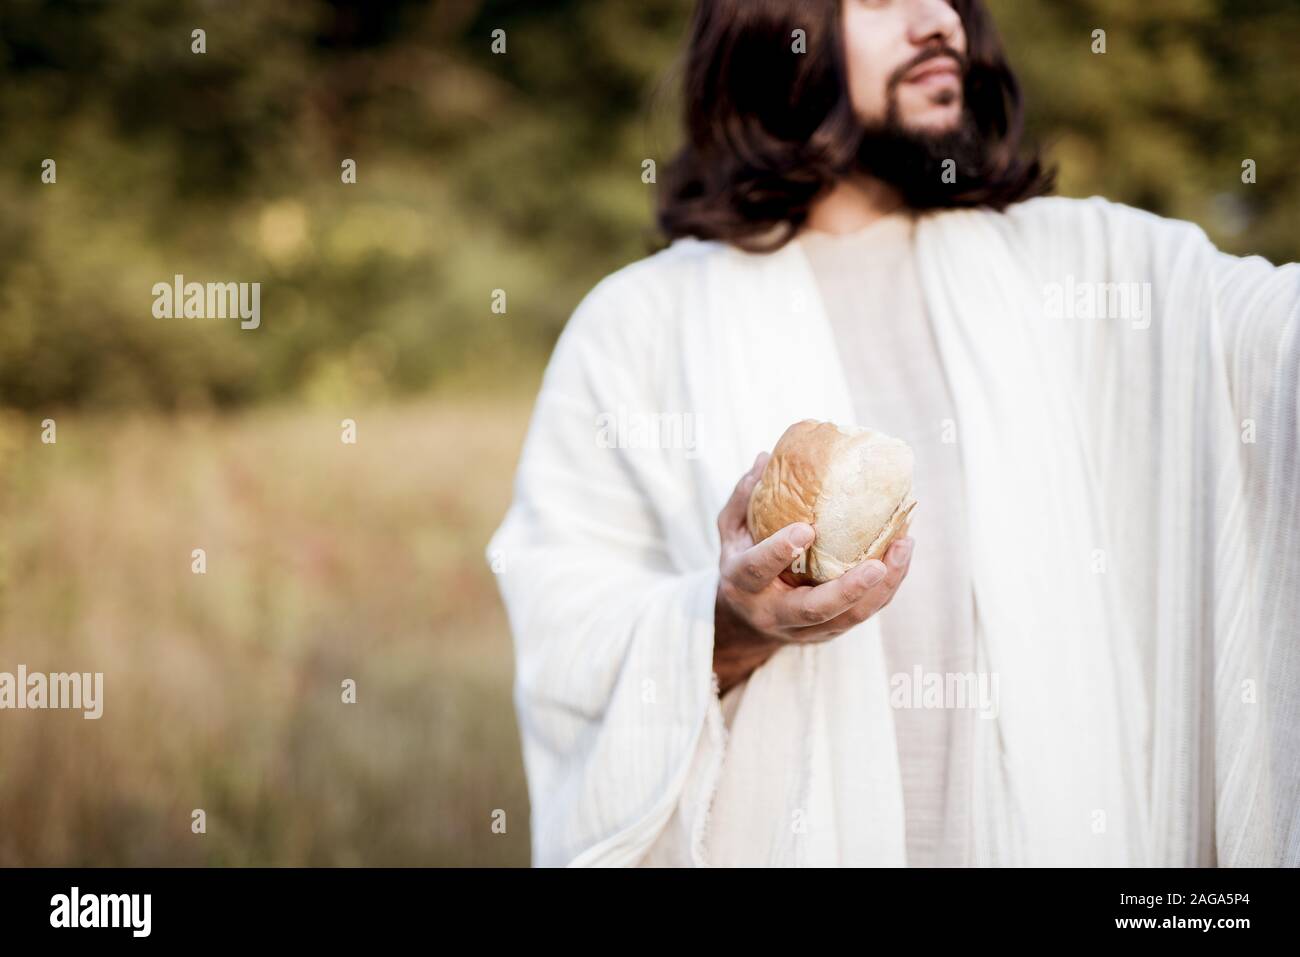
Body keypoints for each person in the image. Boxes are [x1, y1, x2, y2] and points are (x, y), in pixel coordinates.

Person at [486, 0, 1300, 867]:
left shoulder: (1083, 266)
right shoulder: (639, 326)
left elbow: (1272, 344)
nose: (938, 19)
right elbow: (567, 636)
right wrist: (729, 625)